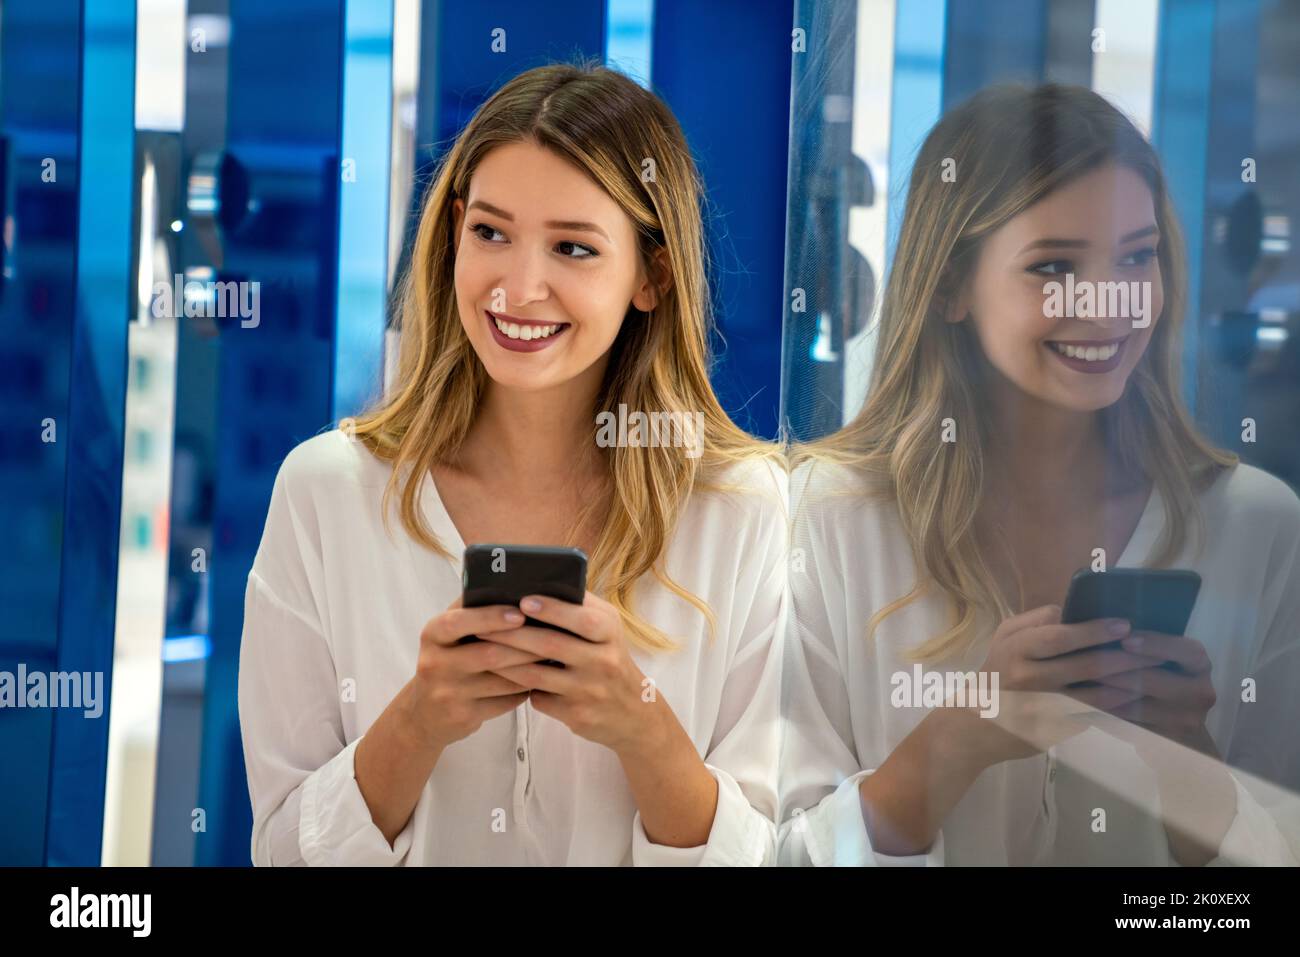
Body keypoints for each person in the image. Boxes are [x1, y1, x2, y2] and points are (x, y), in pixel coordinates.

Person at [238, 61, 786, 866]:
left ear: (653, 274)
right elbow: (281, 851)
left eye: (573, 246)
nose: (519, 287)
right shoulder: (326, 491)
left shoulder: (743, 509)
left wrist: (641, 724)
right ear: (454, 228)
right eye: (491, 232)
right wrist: (418, 720)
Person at [778, 83, 1300, 867]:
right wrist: (957, 739)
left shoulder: (1258, 525)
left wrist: (1185, 757)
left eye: (1136, 255)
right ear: (950, 285)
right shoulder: (828, 516)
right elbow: (778, 854)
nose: (1110, 302)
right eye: (1054, 265)